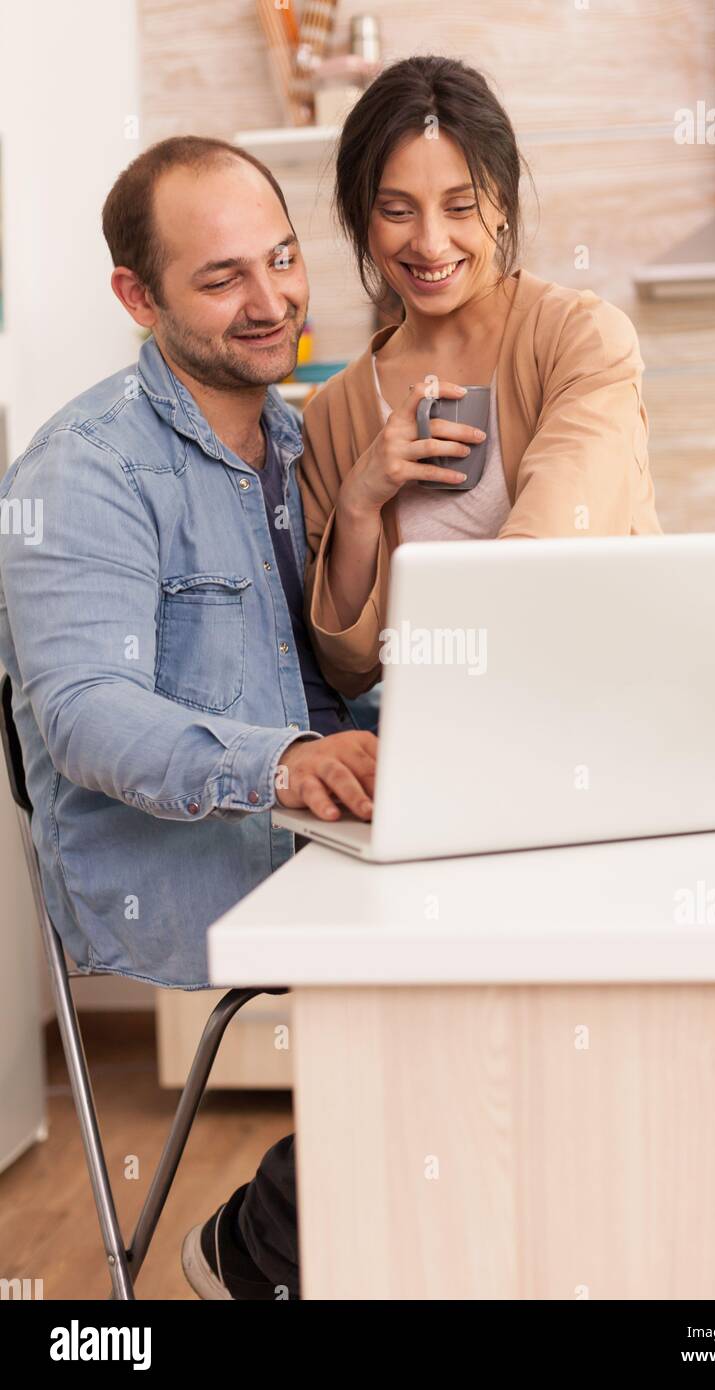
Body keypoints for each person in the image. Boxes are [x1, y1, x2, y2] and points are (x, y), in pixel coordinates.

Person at [0, 135, 369, 1300]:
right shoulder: (84, 469)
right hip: (186, 864)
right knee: (481, 975)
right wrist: (293, 763)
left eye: (283, 259)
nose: (272, 304)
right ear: (137, 296)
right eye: (221, 280)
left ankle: (357, 1240)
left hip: (317, 837)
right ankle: (269, 1244)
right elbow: (82, 714)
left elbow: (336, 671)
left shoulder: (308, 444)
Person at [299, 54, 663, 704]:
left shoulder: (581, 339)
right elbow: (347, 667)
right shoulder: (334, 412)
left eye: (460, 205)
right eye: (397, 210)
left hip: (605, 709)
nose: (432, 243)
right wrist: (359, 502)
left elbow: (555, 534)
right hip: (441, 737)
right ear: (361, 218)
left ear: (501, 203)